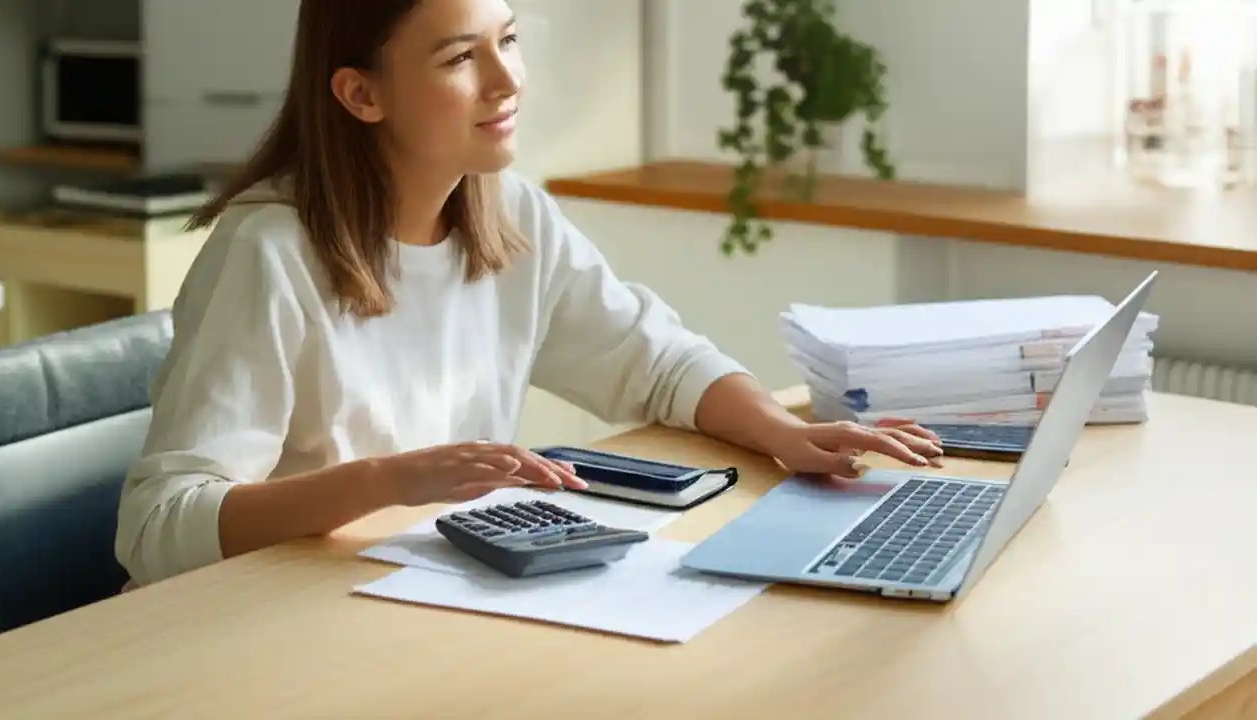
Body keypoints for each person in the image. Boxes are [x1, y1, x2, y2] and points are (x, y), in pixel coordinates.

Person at [115, 0, 944, 587]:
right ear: (360, 94)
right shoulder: (268, 253)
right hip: (253, 628)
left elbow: (656, 363)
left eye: (507, 39)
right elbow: (160, 532)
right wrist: (386, 481)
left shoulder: (508, 214)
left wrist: (782, 432)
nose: (505, 80)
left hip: (402, 605)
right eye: (458, 57)